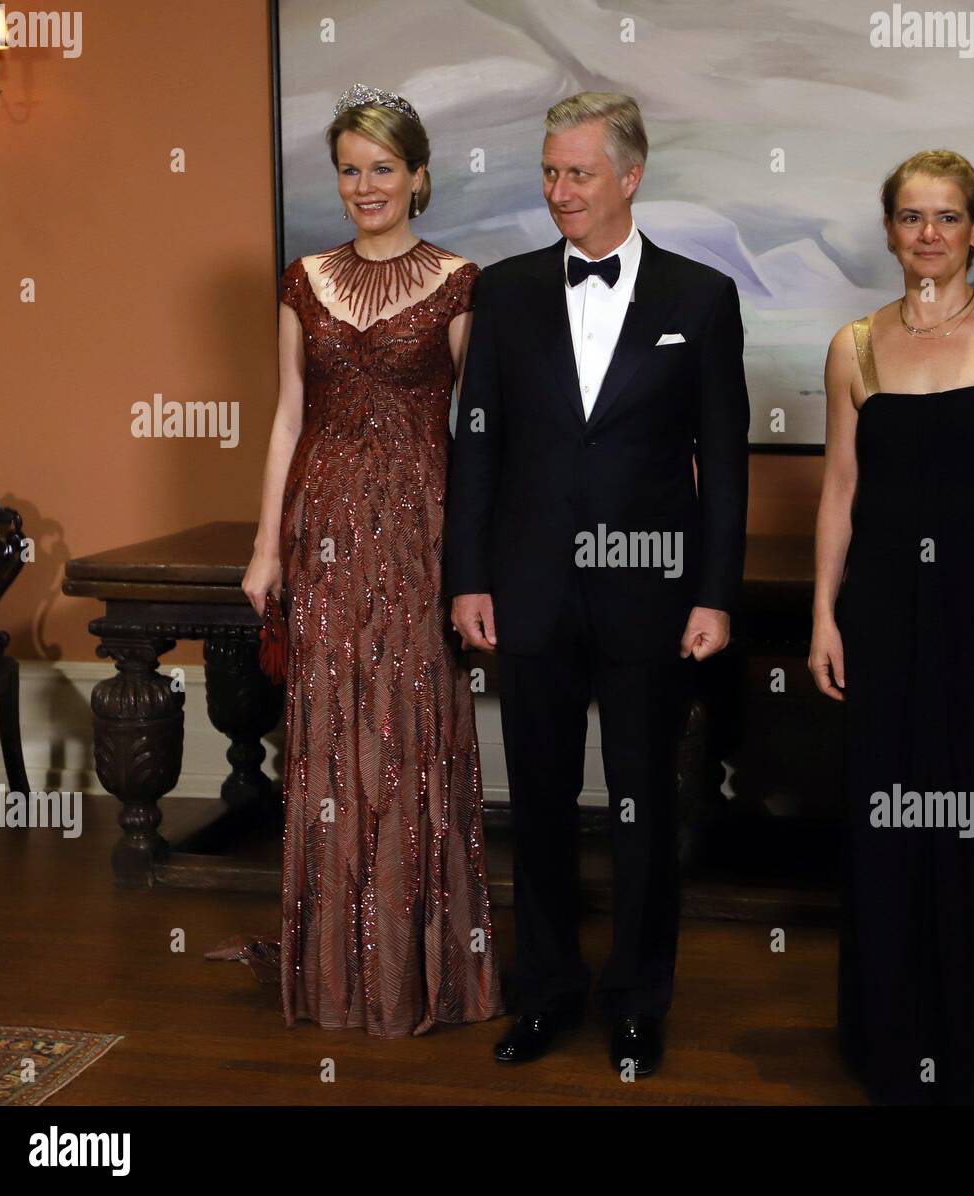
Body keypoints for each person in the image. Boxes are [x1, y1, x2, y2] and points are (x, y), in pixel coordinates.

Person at [445, 92, 750, 1076]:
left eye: (577, 172)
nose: (559, 190)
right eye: (548, 170)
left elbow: (727, 463)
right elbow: (475, 450)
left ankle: (634, 1000)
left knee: (641, 807)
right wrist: (468, 577)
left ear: (630, 175)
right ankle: (544, 991)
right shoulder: (504, 291)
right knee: (534, 800)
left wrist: (714, 594)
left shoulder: (701, 298)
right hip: (528, 589)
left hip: (650, 595)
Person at [809, 149, 974, 1104]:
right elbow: (840, 491)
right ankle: (894, 1040)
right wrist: (822, 621)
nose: (929, 233)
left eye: (948, 217)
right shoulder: (854, 346)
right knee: (888, 821)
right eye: (912, 217)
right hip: (882, 614)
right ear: (889, 230)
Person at [231, 82, 505, 1037]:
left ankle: (421, 969)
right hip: (325, 531)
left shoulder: (464, 281)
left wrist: (476, 553)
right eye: (349, 170)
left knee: (415, 733)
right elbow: (287, 415)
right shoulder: (303, 278)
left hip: (421, 532)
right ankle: (335, 973)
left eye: (382, 168)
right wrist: (266, 545)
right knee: (331, 734)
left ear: (419, 174)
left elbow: (479, 429)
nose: (364, 186)